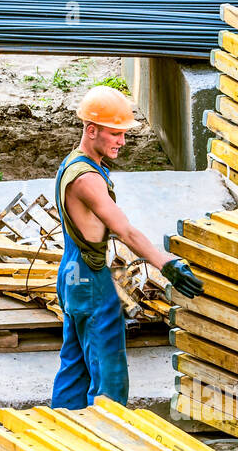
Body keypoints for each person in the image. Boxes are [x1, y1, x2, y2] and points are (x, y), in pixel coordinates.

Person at [51, 85, 203, 410]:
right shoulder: (87, 179)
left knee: (74, 369)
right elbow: (125, 232)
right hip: (91, 281)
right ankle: (103, 445)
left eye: (124, 134)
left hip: (71, 274)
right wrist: (167, 264)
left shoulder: (71, 164)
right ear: (91, 130)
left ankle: (61, 435)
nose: (122, 141)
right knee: (109, 378)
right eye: (115, 133)